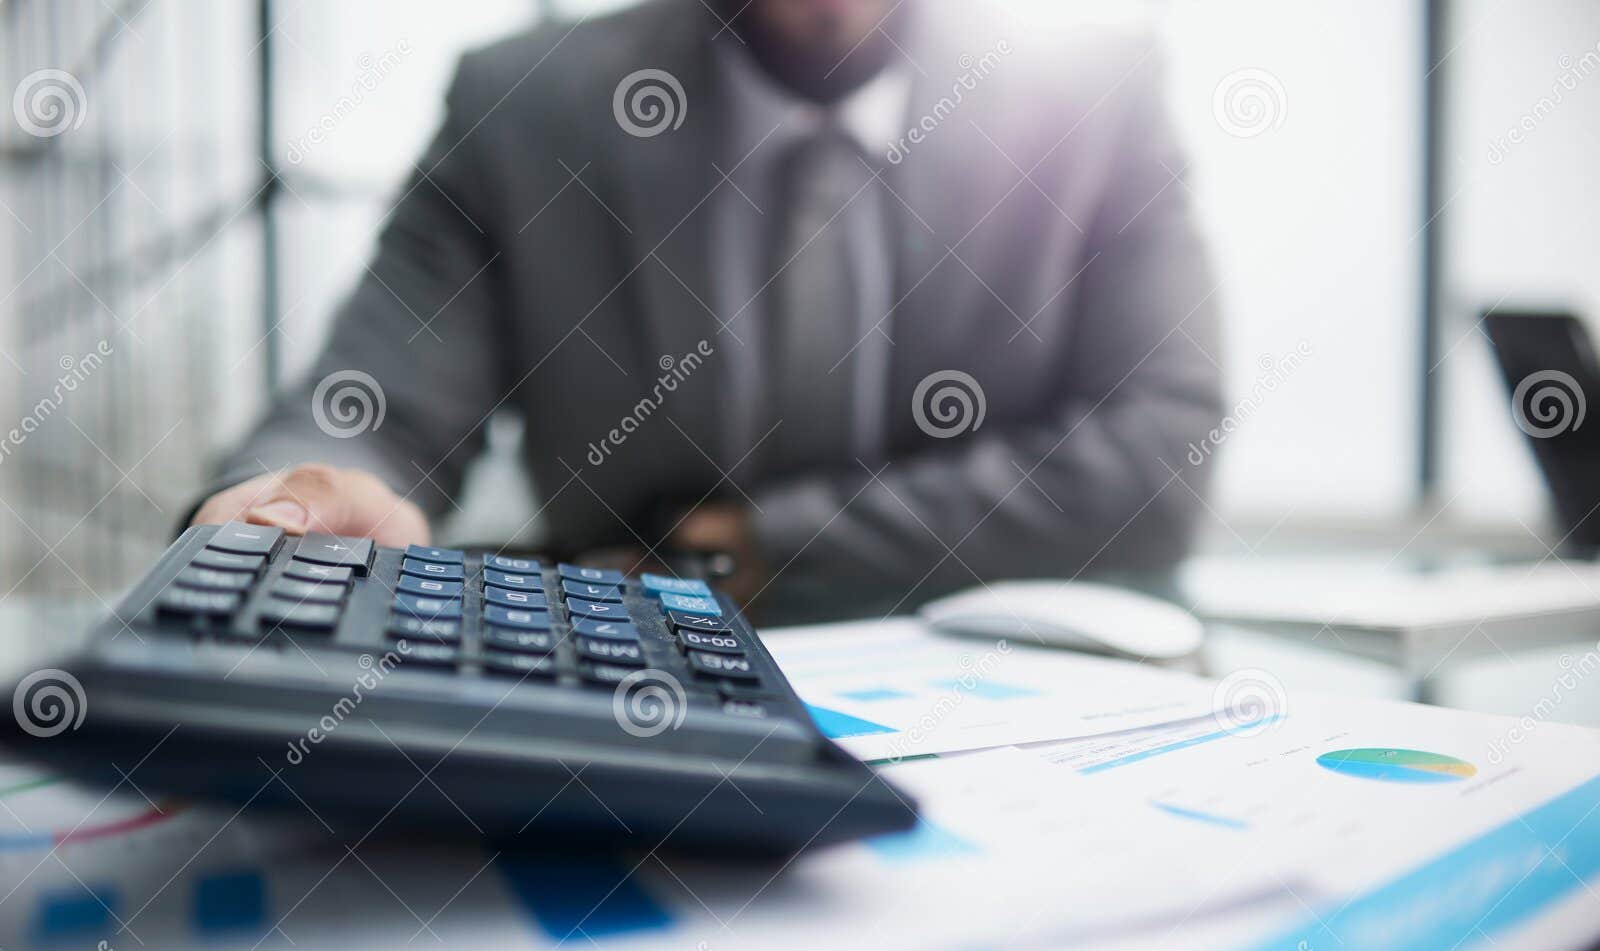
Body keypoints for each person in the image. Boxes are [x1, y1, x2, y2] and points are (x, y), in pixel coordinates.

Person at [192, 0, 1222, 620]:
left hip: (1016, 724)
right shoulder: (525, 107)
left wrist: (754, 544)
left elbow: (1160, 452)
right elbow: (374, 408)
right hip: (626, 728)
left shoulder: (1093, 94)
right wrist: (300, 496)